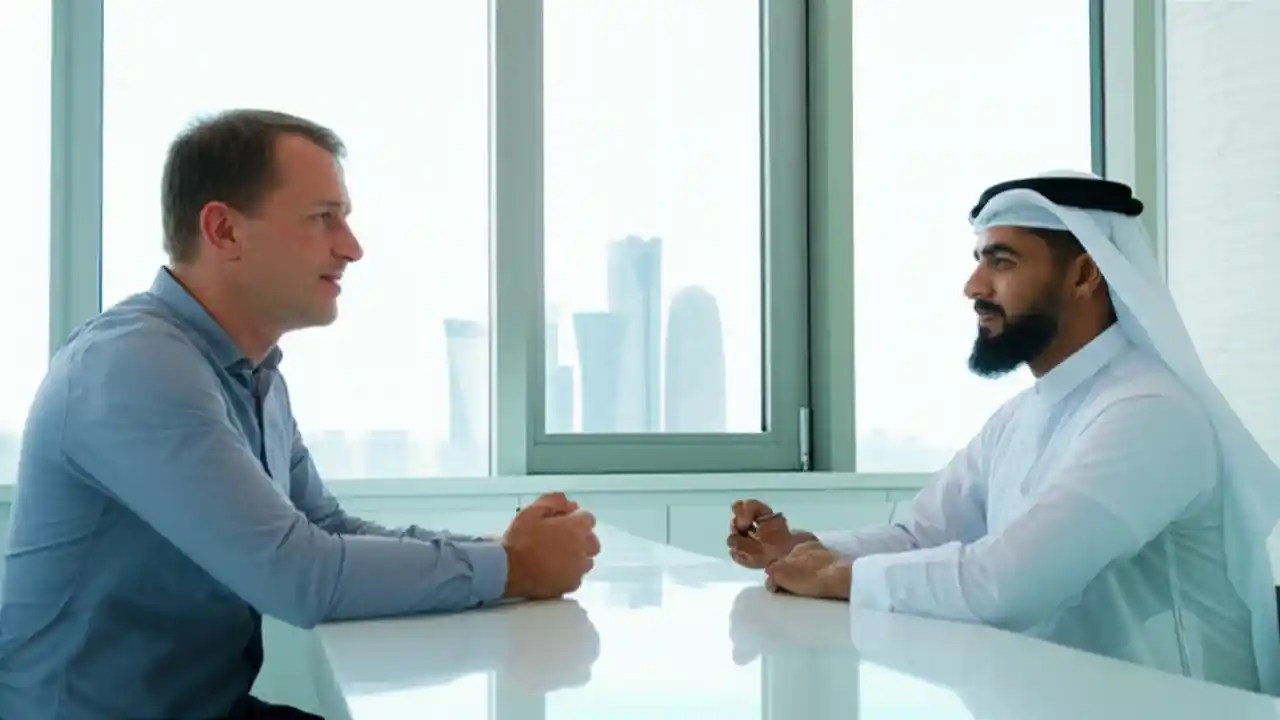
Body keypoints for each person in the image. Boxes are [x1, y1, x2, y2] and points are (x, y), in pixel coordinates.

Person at [0, 109, 600, 719]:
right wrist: (513, 566)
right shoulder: (132, 365)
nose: (352, 247)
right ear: (224, 231)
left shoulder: (250, 374)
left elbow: (326, 528)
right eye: (322, 219)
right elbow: (296, 573)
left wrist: (503, 548)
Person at [727, 172, 1280, 694]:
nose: (973, 286)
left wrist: (836, 576)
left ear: (1085, 275)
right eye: (978, 260)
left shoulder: (1152, 415)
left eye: (1002, 261)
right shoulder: (1022, 415)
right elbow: (925, 536)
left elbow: (1007, 586)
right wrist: (808, 548)